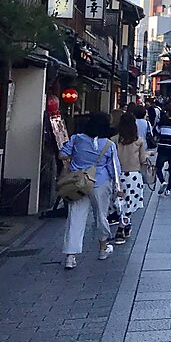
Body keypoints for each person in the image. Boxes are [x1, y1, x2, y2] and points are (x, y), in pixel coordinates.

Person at [59, 112, 121, 269]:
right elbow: (115, 168)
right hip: (100, 183)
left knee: (75, 217)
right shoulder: (108, 144)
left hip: (78, 183)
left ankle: (70, 256)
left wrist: (74, 161)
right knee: (101, 216)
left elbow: (62, 154)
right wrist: (118, 188)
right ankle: (102, 248)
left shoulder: (77, 139)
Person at [110, 112, 150, 244]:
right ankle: (121, 229)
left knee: (119, 203)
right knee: (129, 203)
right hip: (133, 176)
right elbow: (143, 159)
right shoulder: (138, 141)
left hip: (117, 175)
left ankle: (125, 226)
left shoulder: (114, 140)